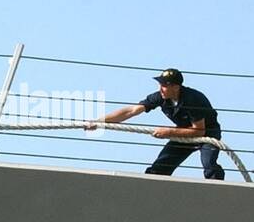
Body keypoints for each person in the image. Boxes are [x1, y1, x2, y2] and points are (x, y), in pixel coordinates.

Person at [87, 68, 224, 180]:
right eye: (160, 84)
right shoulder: (160, 97)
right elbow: (131, 111)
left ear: (176, 87)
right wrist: (99, 122)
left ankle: (218, 193)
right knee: (159, 168)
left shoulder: (193, 99)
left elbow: (199, 131)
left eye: (165, 85)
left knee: (209, 165)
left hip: (207, 134)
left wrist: (168, 132)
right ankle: (151, 193)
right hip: (183, 133)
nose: (161, 89)